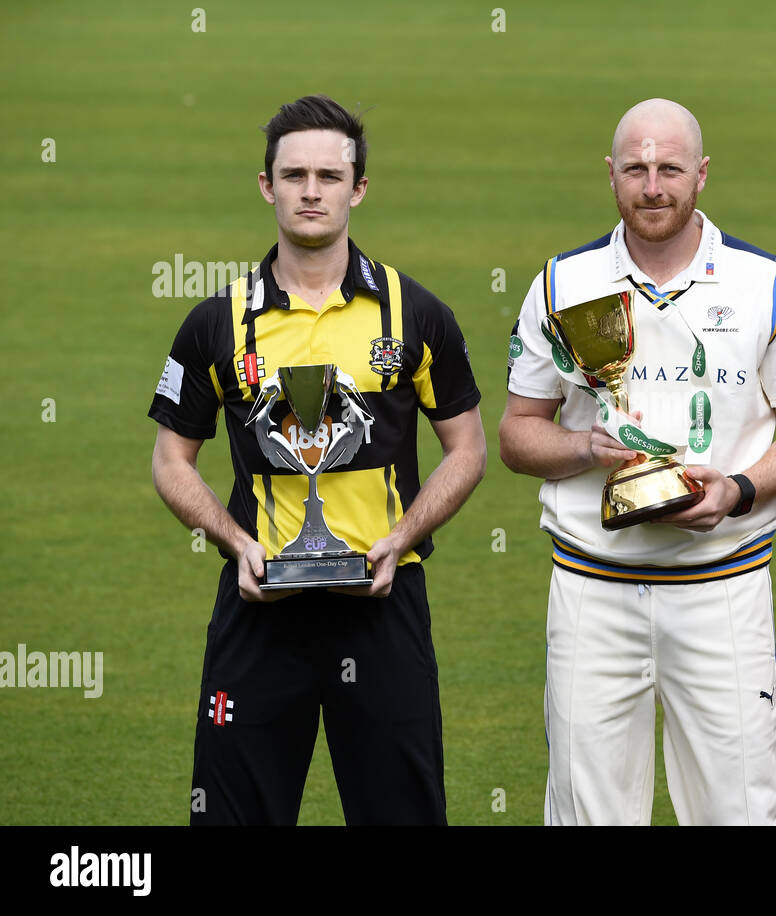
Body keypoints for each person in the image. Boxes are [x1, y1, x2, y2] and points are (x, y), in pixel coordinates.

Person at [148, 95, 486, 825]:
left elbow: (469, 449)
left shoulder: (417, 314)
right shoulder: (216, 322)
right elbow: (171, 460)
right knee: (233, 814)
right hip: (258, 604)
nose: (311, 191)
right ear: (267, 184)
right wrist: (236, 543)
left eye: (329, 177)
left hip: (384, 599)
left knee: (402, 813)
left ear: (357, 187)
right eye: (293, 174)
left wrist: (402, 538)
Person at [499, 98, 776, 826]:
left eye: (670, 168)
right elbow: (518, 434)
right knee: (589, 814)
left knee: (739, 812)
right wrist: (585, 447)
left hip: (723, 588)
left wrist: (740, 489)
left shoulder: (766, 284)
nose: (654, 186)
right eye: (637, 168)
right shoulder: (563, 284)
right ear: (611, 175)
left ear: (702, 174)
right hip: (593, 589)